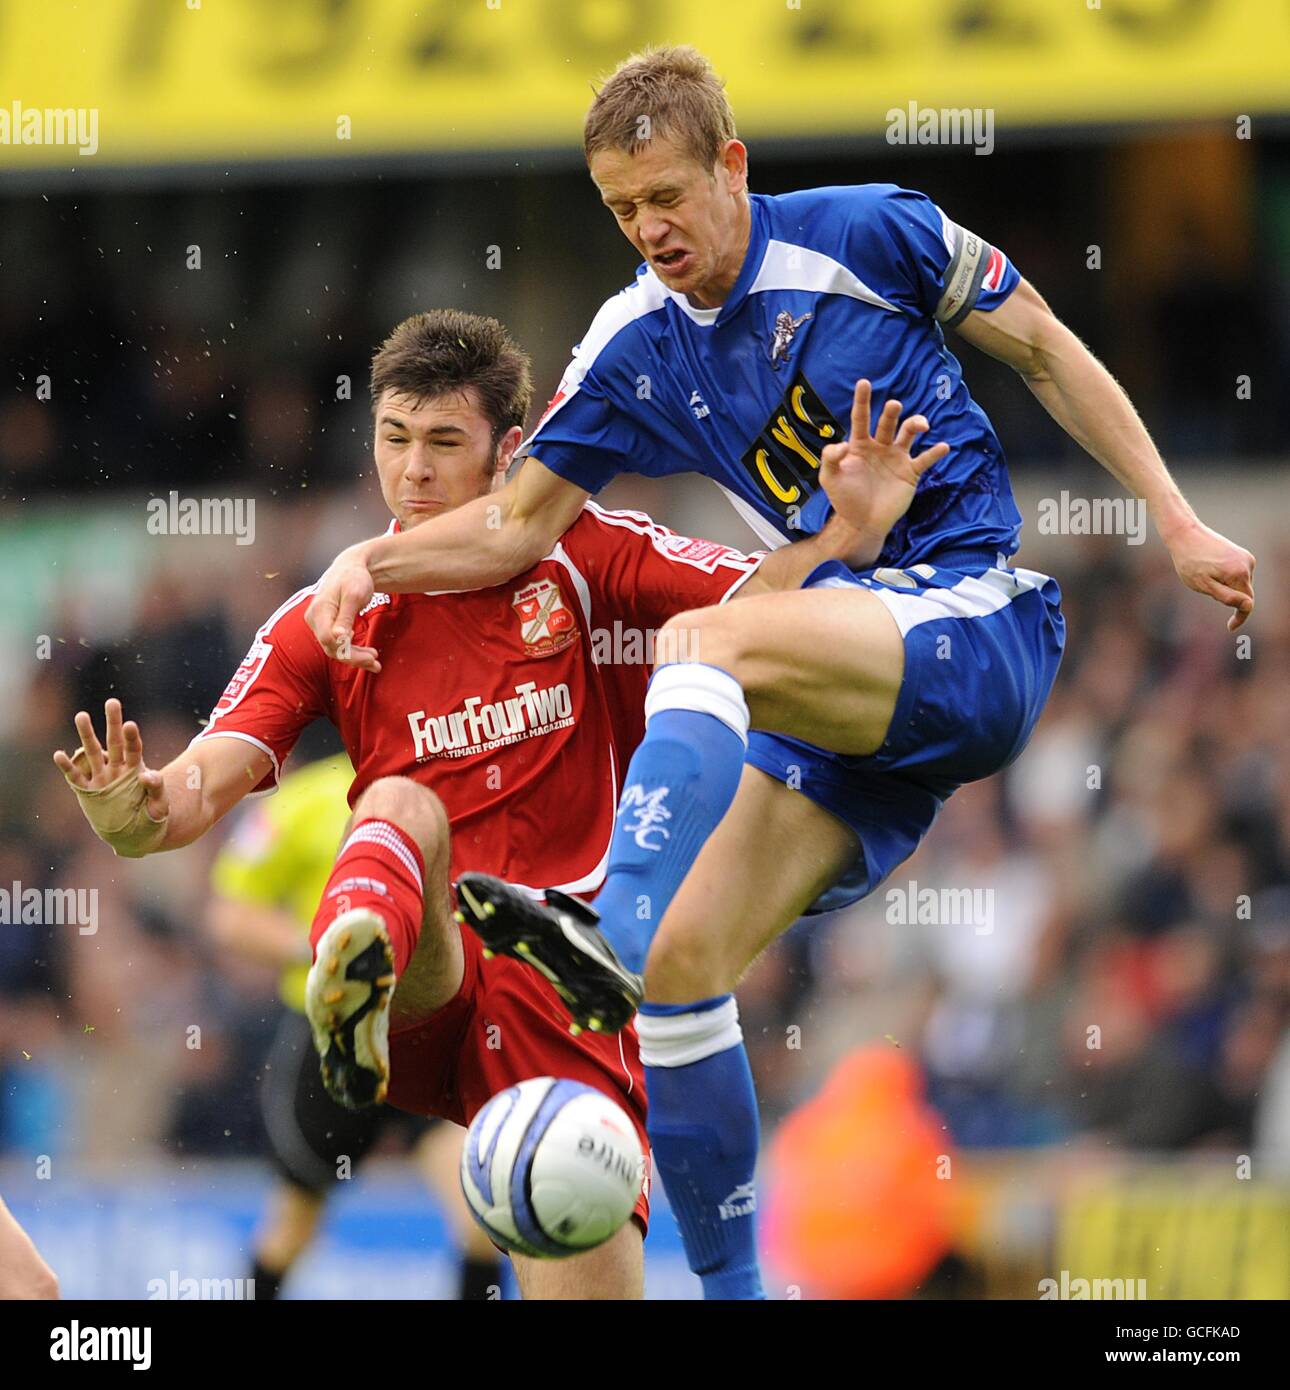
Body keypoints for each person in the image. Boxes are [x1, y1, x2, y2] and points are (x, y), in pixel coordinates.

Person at [301, 48, 1256, 1299]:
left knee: (704, 647)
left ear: (732, 166)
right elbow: (511, 526)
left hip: (975, 619)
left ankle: (603, 921)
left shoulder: (873, 233)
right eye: (622, 210)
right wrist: (369, 563)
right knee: (687, 971)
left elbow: (1043, 347)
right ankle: (737, 1288)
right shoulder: (634, 341)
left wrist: (1175, 520)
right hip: (846, 656)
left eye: (669, 197)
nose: (651, 231)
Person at [54, 308, 865, 1298]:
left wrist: (850, 532)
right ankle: (356, 962)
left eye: (445, 443)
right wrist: (123, 810)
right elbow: (180, 803)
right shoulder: (331, 613)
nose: (415, 470)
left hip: (564, 990)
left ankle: (363, 962)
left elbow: (763, 601)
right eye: (396, 439)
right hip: (424, 972)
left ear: (508, 452)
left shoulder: (588, 555)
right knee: (400, 803)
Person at [207, 754, 502, 1300]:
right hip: (337, 1038)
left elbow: (229, 915)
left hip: (424, 1030)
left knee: (481, 1213)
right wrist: (327, 954)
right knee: (294, 1226)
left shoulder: (457, 786)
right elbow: (228, 915)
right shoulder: (319, 798)